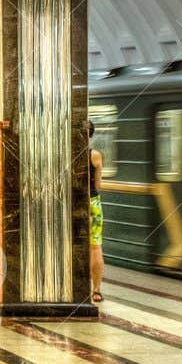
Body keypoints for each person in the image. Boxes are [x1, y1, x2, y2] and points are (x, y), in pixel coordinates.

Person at [87, 119, 105, 305]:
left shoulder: (68, 154)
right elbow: (98, 185)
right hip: (93, 203)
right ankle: (96, 290)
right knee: (95, 247)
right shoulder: (95, 156)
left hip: (73, 205)